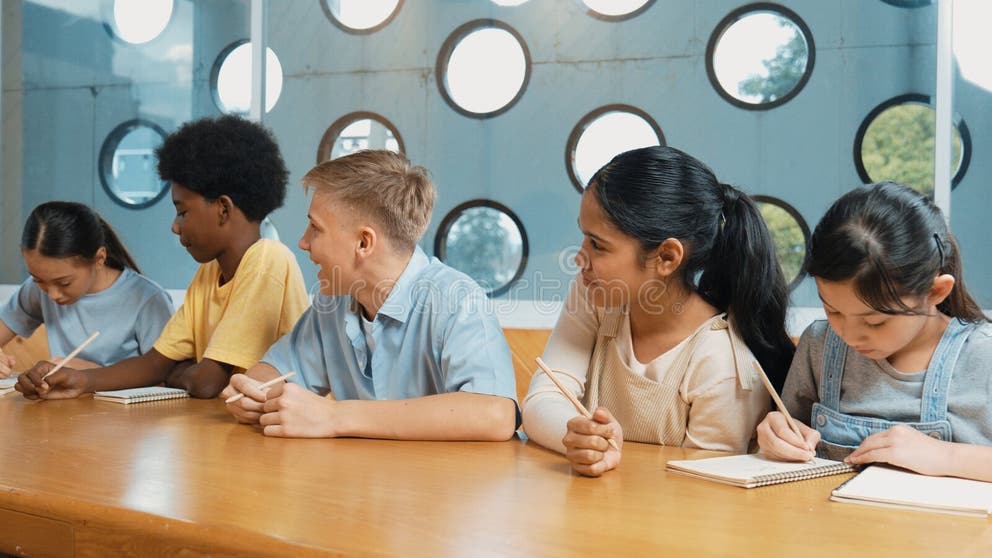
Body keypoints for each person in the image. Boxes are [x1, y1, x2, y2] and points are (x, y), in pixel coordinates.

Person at [522, 145, 795, 476]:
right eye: (583, 237)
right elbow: (542, 401)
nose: (579, 259)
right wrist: (574, 434)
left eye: (597, 245)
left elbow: (704, 486)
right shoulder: (593, 294)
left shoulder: (720, 363)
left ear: (666, 258)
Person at [222, 149, 518, 441]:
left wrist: (334, 417)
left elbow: (495, 414)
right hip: (359, 482)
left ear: (364, 242)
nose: (303, 242)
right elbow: (278, 369)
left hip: (438, 486)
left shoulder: (458, 300)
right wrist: (252, 390)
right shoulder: (334, 301)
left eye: (315, 227)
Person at [17, 115, 309, 399]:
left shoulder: (267, 259)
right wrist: (79, 380)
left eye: (182, 211)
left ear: (223, 208)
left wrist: (178, 372)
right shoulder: (209, 273)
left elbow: (206, 382)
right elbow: (156, 363)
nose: (174, 225)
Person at [756, 182, 992, 482]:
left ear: (936, 291)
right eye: (834, 311)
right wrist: (777, 437)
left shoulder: (983, 355)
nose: (850, 335)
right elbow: (790, 436)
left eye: (875, 321)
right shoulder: (820, 344)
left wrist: (946, 455)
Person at [0, 202, 172, 377]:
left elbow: (166, 380)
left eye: (64, 283)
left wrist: (94, 374)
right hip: (63, 403)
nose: (52, 295)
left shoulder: (148, 299)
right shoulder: (38, 289)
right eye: (39, 280)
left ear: (99, 258)